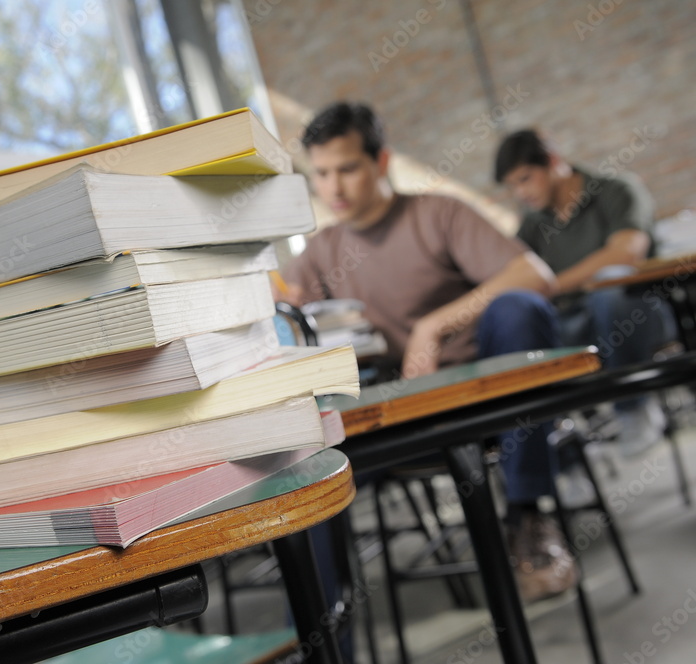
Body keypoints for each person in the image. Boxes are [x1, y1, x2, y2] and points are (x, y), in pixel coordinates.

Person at [279, 101, 574, 602]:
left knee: (519, 309)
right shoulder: (319, 253)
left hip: (488, 400)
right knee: (303, 469)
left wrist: (433, 326)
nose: (334, 187)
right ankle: (321, 641)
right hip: (396, 416)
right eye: (322, 173)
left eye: (348, 168)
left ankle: (527, 513)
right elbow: (282, 326)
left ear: (381, 162)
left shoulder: (438, 214)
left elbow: (535, 276)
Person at [494, 129, 677, 456]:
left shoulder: (616, 190)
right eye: (512, 186)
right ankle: (565, 456)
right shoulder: (534, 226)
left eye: (525, 179)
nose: (520, 193)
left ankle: (633, 407)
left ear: (553, 161)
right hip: (572, 327)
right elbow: (513, 276)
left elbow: (626, 253)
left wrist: (551, 285)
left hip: (633, 313)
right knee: (515, 328)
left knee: (611, 286)